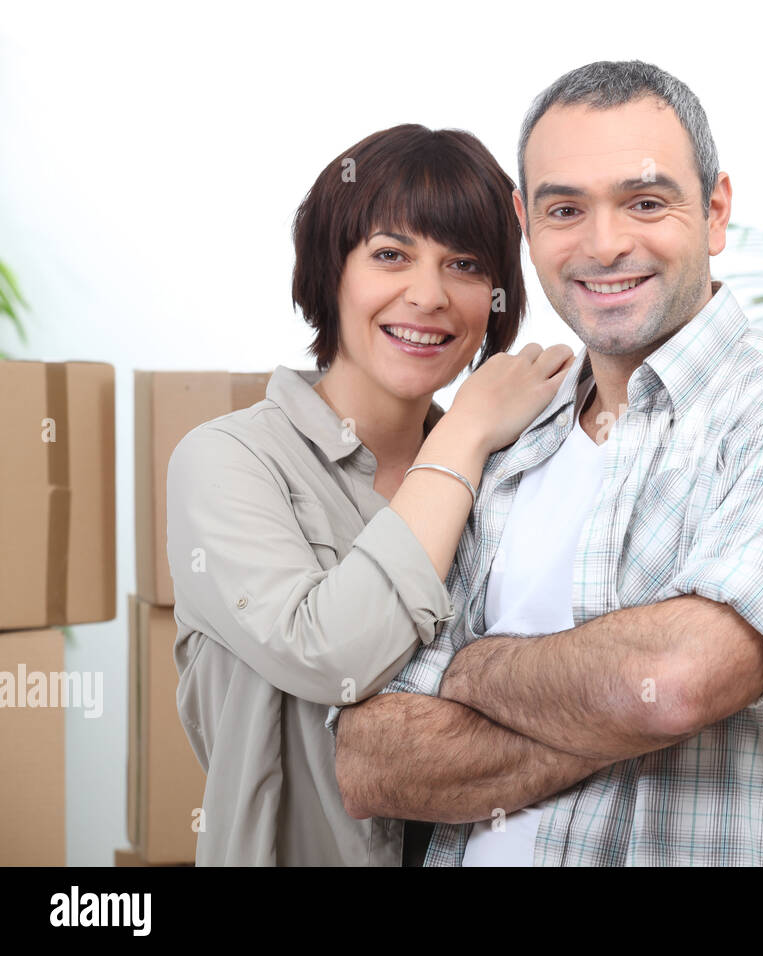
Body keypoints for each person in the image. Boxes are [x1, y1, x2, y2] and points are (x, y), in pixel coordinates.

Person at [331, 61, 763, 866]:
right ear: (526, 223)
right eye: (566, 208)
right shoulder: (505, 439)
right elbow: (368, 759)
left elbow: (675, 681)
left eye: (644, 202)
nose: (604, 245)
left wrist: (467, 669)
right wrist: (611, 700)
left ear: (713, 212)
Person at [166, 123, 574, 865]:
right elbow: (333, 655)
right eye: (390, 255)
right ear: (332, 271)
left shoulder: (513, 474)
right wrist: (466, 433)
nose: (429, 295)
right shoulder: (228, 463)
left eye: (465, 264)